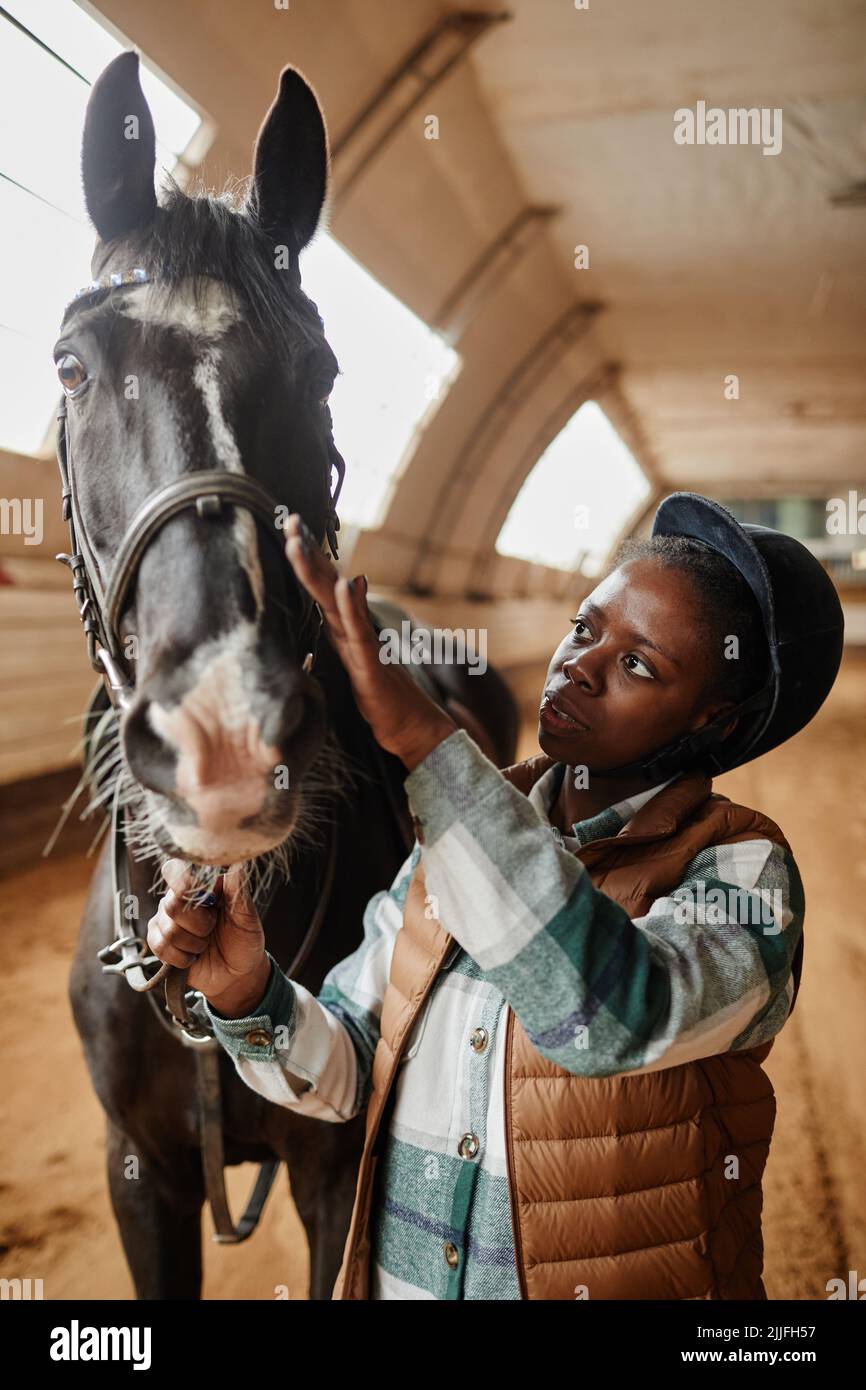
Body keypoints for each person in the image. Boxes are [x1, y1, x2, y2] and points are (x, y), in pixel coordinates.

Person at [147, 491, 844, 1300]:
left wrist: (424, 740)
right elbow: (346, 1073)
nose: (579, 665)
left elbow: (612, 1018)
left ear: (715, 723)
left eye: (638, 664)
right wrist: (249, 997)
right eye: (586, 629)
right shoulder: (449, 847)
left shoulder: (740, 872)